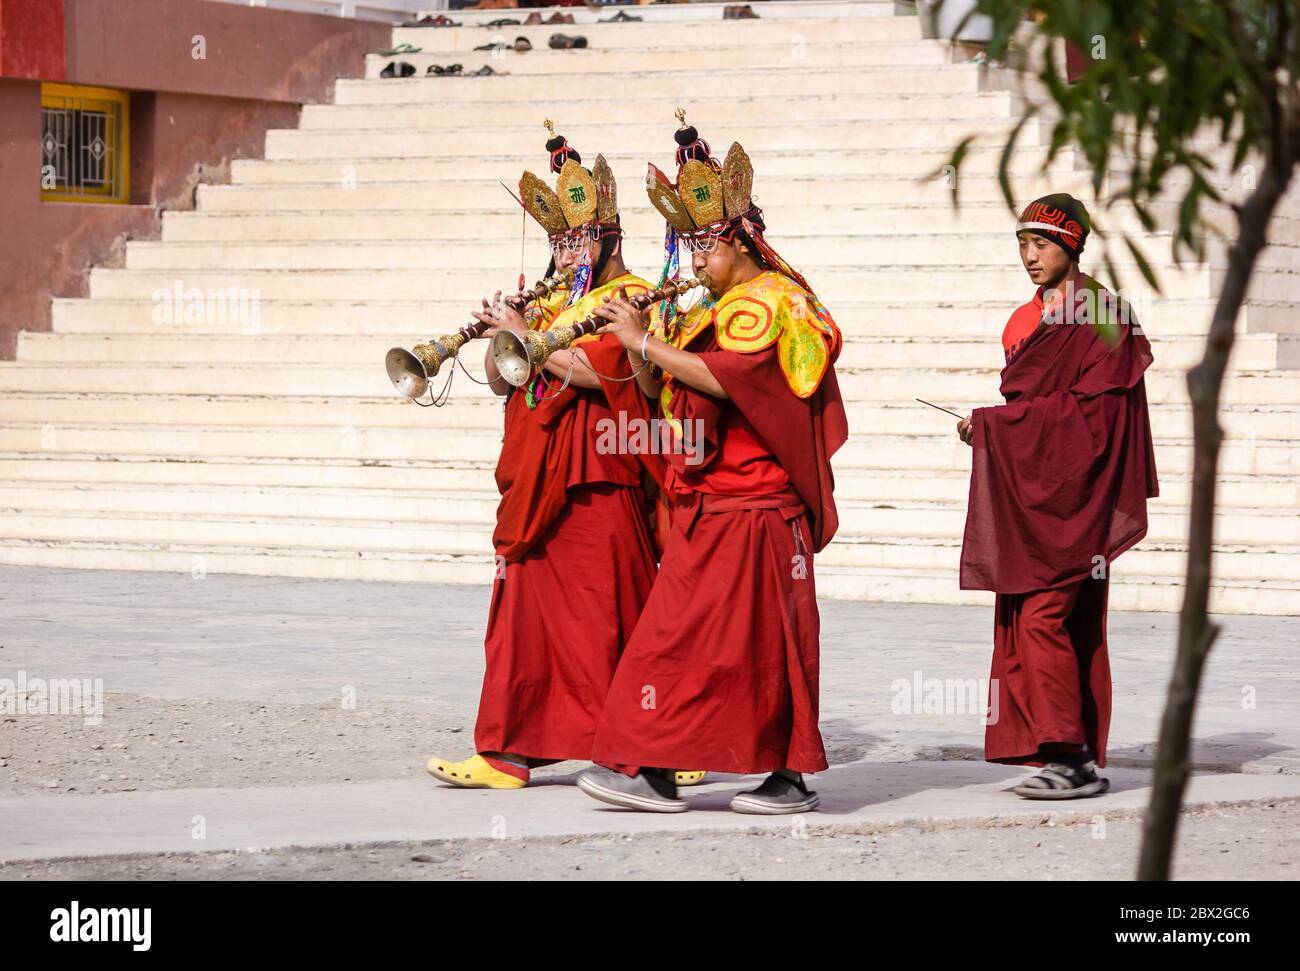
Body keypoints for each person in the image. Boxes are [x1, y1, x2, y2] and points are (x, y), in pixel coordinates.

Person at [575, 116, 848, 814]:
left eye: (701, 245)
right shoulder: (712, 306)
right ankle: (655, 764)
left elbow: (736, 382)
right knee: (698, 640)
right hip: (713, 501)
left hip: (757, 504)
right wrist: (638, 346)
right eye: (688, 247)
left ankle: (778, 774)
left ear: (737, 240)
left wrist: (650, 343)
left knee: (750, 641)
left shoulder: (772, 302)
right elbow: (666, 396)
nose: (692, 262)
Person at [426, 125, 704, 789]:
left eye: (576, 237)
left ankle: (664, 745)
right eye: (557, 239)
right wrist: (499, 338)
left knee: (618, 618)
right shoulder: (552, 297)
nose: (564, 250)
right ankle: (507, 752)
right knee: (523, 623)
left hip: (600, 478)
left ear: (607, 236)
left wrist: (527, 339)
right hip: (538, 478)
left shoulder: (631, 294)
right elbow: (506, 379)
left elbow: (593, 372)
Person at [956, 192, 1159, 799]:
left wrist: (998, 426)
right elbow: (1033, 408)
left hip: (1079, 493)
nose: (1028, 256)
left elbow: (1096, 421)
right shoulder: (1024, 319)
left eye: (1040, 244)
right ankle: (1066, 752)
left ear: (1071, 246)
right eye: (1021, 244)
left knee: (1045, 615)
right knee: (1037, 618)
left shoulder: (1104, 314)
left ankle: (1069, 758)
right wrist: (989, 429)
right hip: (1031, 488)